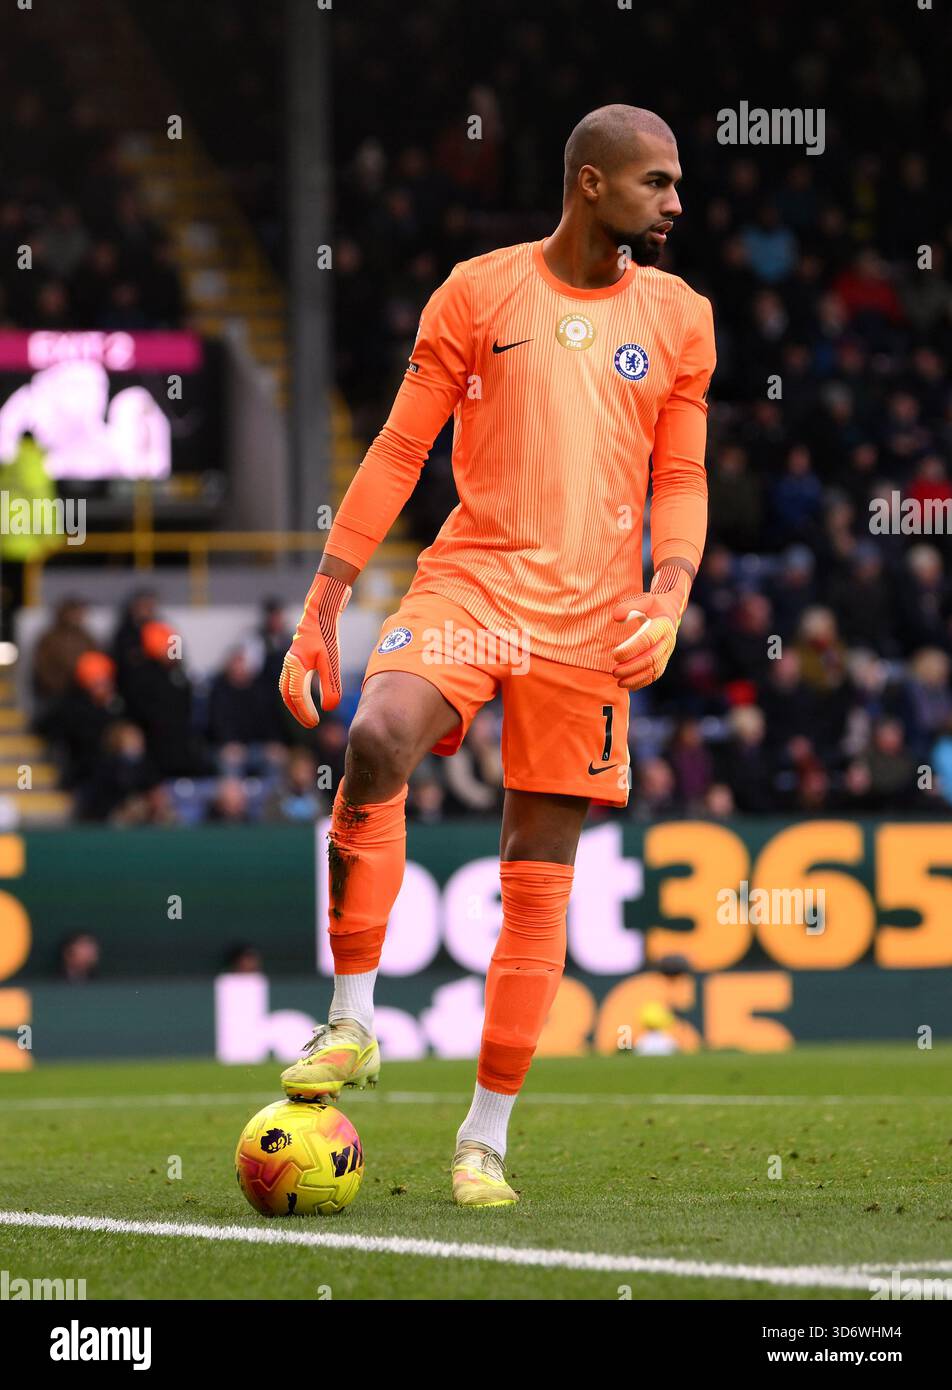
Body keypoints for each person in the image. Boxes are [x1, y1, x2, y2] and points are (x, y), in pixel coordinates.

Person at [276, 105, 715, 1207]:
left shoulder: (681, 317)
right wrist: (323, 603)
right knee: (376, 736)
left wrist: (670, 592)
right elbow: (398, 446)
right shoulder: (478, 291)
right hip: (472, 582)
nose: (674, 203)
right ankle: (354, 1019)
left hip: (593, 622)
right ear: (590, 185)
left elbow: (680, 475)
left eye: (674, 185)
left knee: (537, 876)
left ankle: (483, 1137)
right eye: (656, 183)